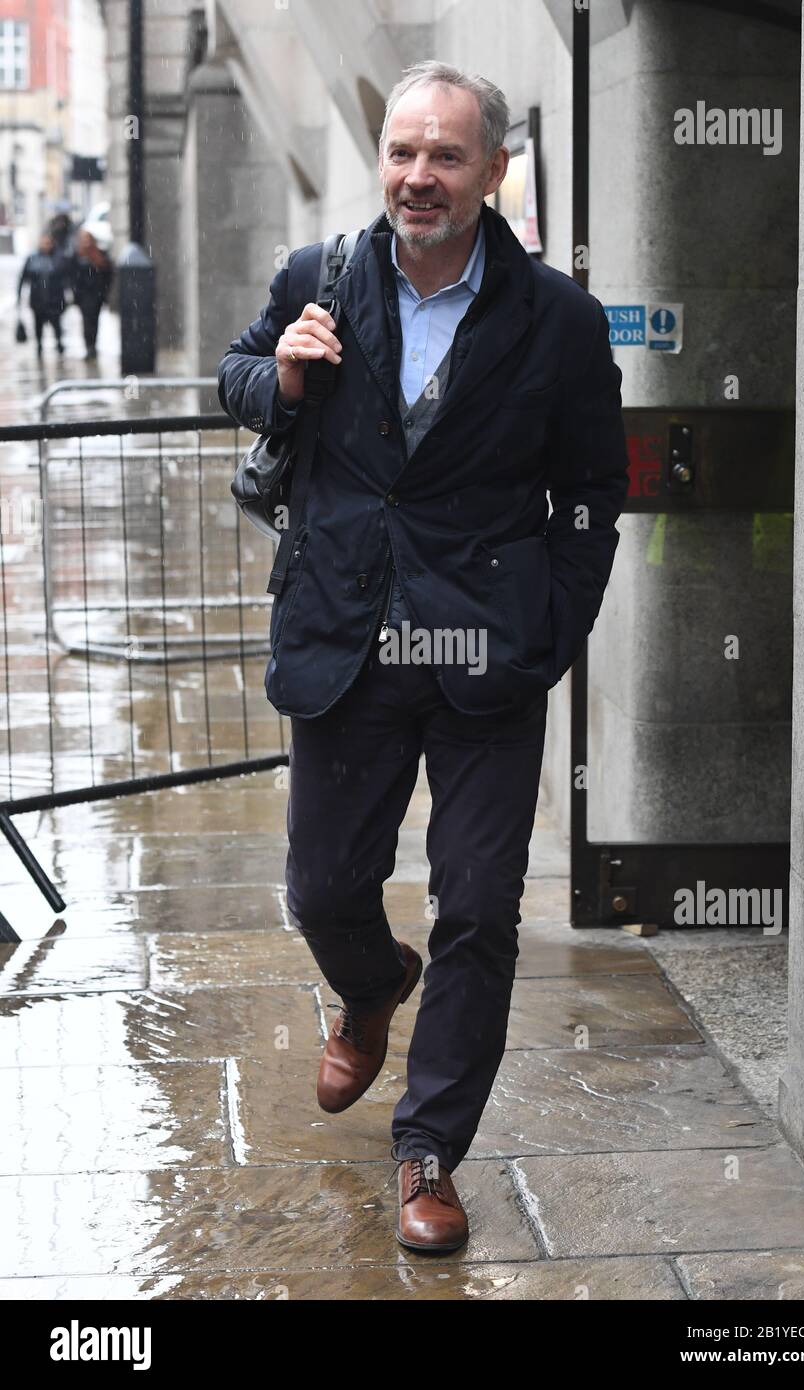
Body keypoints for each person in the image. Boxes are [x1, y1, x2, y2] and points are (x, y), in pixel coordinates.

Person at [217, 60, 629, 1253]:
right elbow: (235, 376)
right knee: (324, 890)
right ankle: (367, 987)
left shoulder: (557, 318)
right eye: (403, 152)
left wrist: (552, 622)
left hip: (486, 653)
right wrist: (278, 376)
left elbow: (594, 489)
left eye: (447, 156)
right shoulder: (322, 276)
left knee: (482, 910)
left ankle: (428, 1153)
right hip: (346, 635)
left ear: (493, 171)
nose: (419, 176)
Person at [16, 233, 68, 359]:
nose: (46, 246)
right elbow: (23, 279)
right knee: (38, 326)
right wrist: (19, 296)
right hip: (38, 300)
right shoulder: (32, 258)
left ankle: (59, 346)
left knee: (57, 325)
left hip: (55, 299)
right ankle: (39, 347)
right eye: (44, 243)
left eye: (48, 243)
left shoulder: (59, 258)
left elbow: (66, 278)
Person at [68, 228, 113, 359]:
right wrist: (76, 292)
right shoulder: (76, 256)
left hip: (97, 294)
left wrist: (104, 290)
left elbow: (108, 273)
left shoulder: (100, 254)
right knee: (87, 321)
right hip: (83, 295)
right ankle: (89, 346)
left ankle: (93, 345)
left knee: (95, 320)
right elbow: (72, 276)